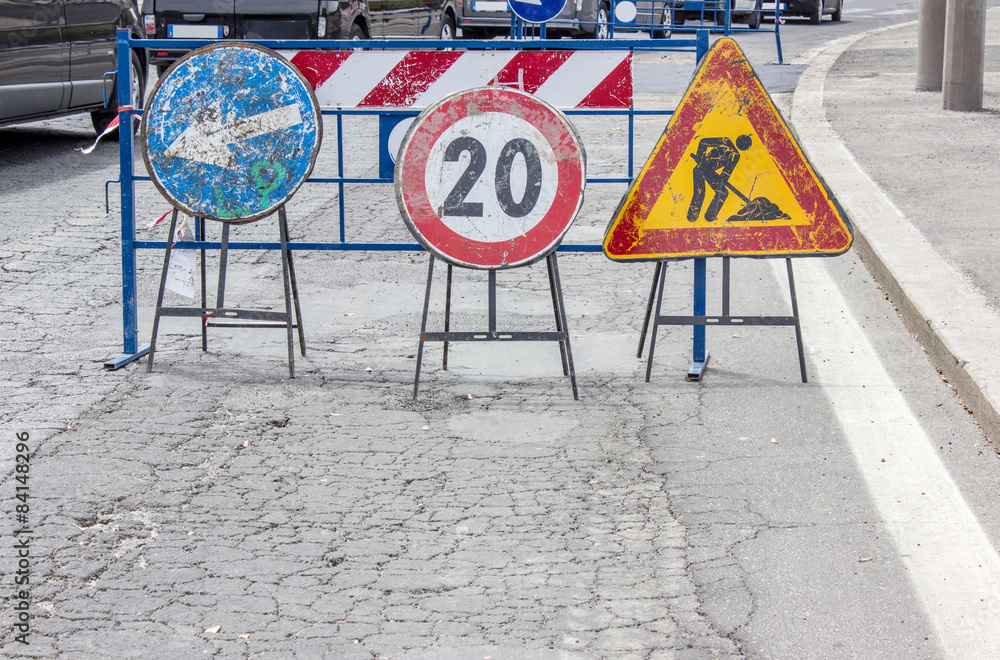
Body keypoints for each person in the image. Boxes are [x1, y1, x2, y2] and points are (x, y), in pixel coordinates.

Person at [686, 134, 752, 223]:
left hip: (711, 173)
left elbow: (725, 175)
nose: (743, 144)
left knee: (723, 192)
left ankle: (710, 215)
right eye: (743, 141)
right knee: (700, 192)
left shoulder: (736, 156)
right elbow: (703, 142)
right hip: (700, 168)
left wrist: (721, 179)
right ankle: (692, 215)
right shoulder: (725, 141)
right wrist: (700, 158)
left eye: (745, 144)